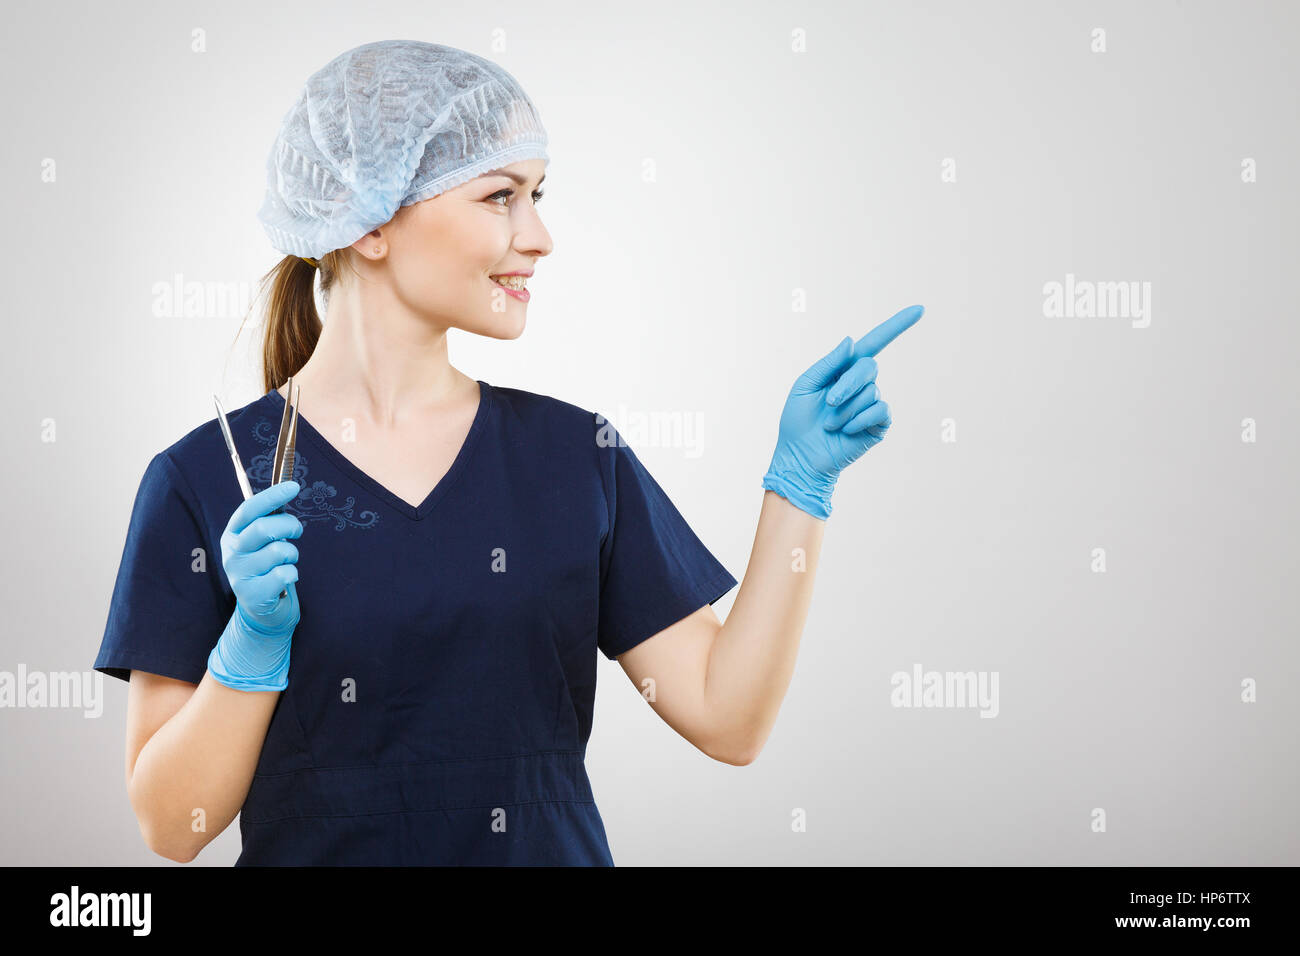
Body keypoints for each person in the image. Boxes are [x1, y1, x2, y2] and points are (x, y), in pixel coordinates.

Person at [94, 39, 921, 865]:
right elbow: (175, 829)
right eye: (501, 196)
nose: (541, 236)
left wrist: (800, 487)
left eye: (537, 196)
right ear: (372, 221)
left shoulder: (573, 457)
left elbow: (728, 717)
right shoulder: (206, 481)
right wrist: (249, 651)